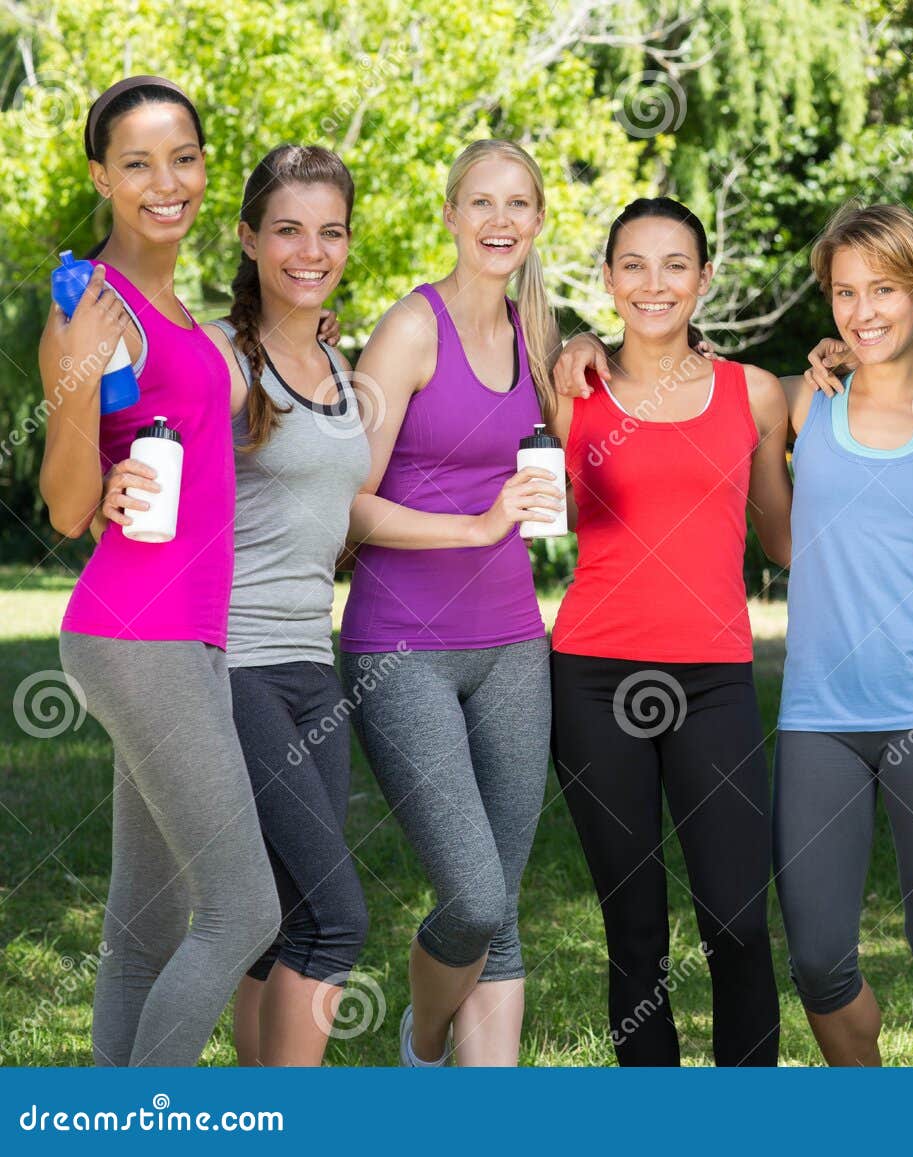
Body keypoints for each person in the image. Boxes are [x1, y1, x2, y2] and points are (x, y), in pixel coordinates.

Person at [42, 76, 280, 1066]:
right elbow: (63, 505)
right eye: (136, 163)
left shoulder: (179, 309)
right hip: (139, 633)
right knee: (242, 910)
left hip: (178, 633)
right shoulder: (92, 308)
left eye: (181, 157)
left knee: (143, 928)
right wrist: (78, 375)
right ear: (102, 176)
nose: (165, 180)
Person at [545, 197, 791, 1066]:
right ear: (608, 280)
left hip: (714, 678)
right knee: (635, 926)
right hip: (591, 677)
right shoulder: (570, 388)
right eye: (635, 265)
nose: (655, 284)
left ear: (704, 279)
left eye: (675, 264)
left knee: (737, 917)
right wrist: (574, 345)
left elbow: (789, 537)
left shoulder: (753, 393)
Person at [341, 139, 565, 1067]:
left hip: (515, 640)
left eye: (518, 204)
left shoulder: (538, 334)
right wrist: (474, 527)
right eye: (481, 202)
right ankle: (424, 1044)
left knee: (501, 911)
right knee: (472, 897)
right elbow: (344, 500)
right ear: (450, 214)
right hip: (402, 648)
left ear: (540, 220)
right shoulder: (410, 330)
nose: (500, 221)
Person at [773, 202, 913, 1065]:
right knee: (819, 961)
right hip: (817, 714)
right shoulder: (805, 403)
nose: (862, 311)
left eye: (884, 290)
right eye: (844, 293)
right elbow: (784, 537)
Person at [196, 145, 369, 1066]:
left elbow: (340, 506)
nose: (311, 249)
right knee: (336, 921)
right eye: (289, 229)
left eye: (329, 230)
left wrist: (476, 525)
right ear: (251, 238)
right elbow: (152, 462)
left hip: (314, 663)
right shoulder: (222, 361)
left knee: (282, 917)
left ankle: (249, 1109)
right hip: (236, 669)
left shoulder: (339, 364)